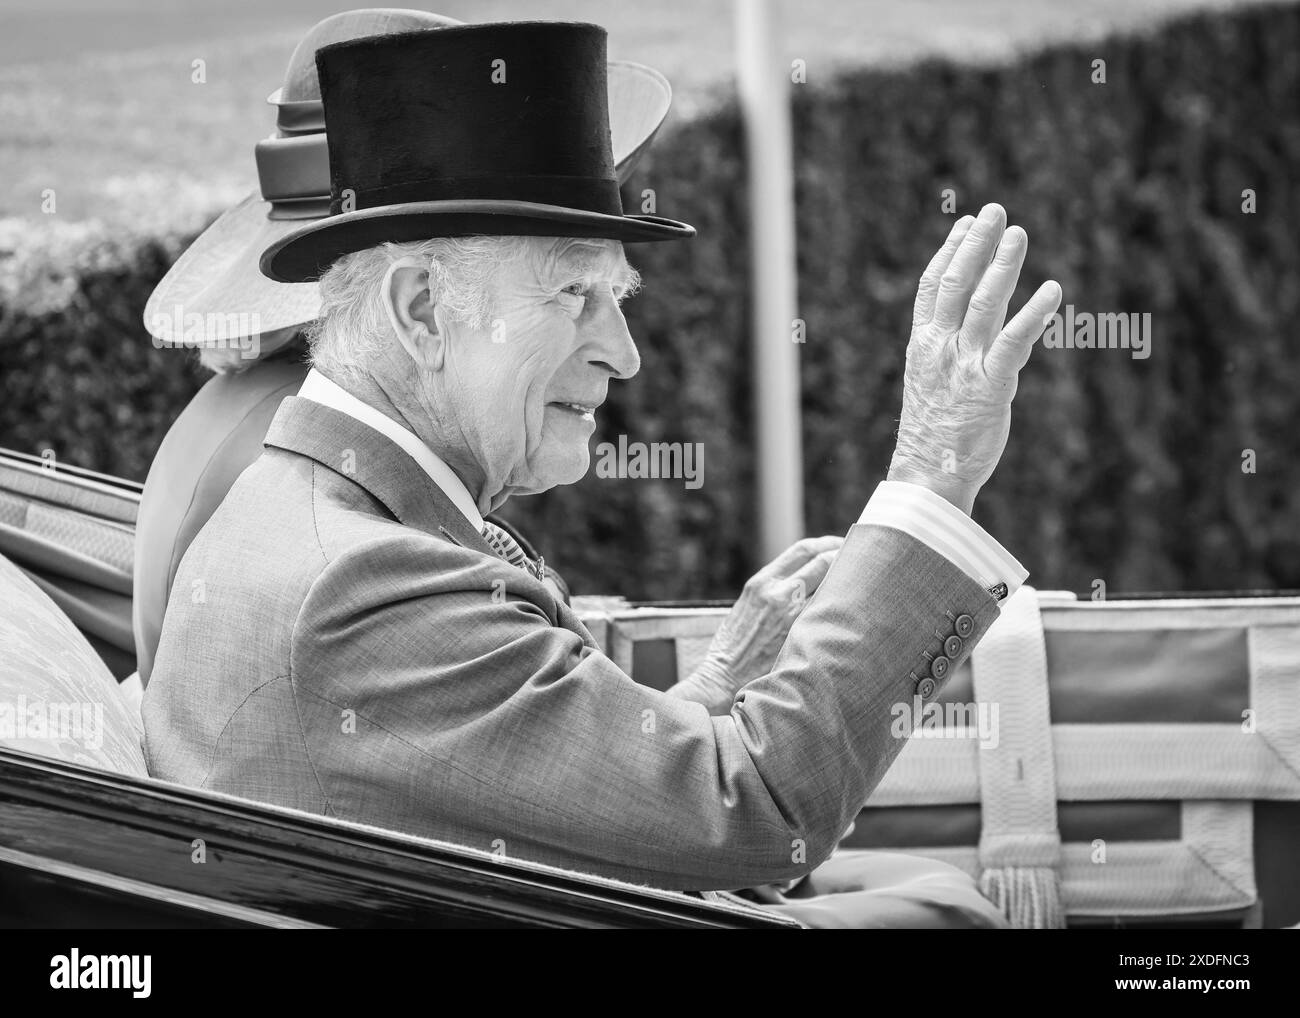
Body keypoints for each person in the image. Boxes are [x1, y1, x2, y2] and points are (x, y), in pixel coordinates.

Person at [144, 21, 1061, 927]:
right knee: (947, 913)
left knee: (923, 894)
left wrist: (712, 690)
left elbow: (491, 783)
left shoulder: (322, 509)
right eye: (573, 295)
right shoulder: (362, 588)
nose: (623, 355)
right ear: (421, 310)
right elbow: (759, 812)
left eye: (616, 299)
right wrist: (934, 474)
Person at [132, 9, 667, 684]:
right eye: (564, 281)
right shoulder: (316, 449)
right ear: (415, 296)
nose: (623, 354)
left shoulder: (280, 408)